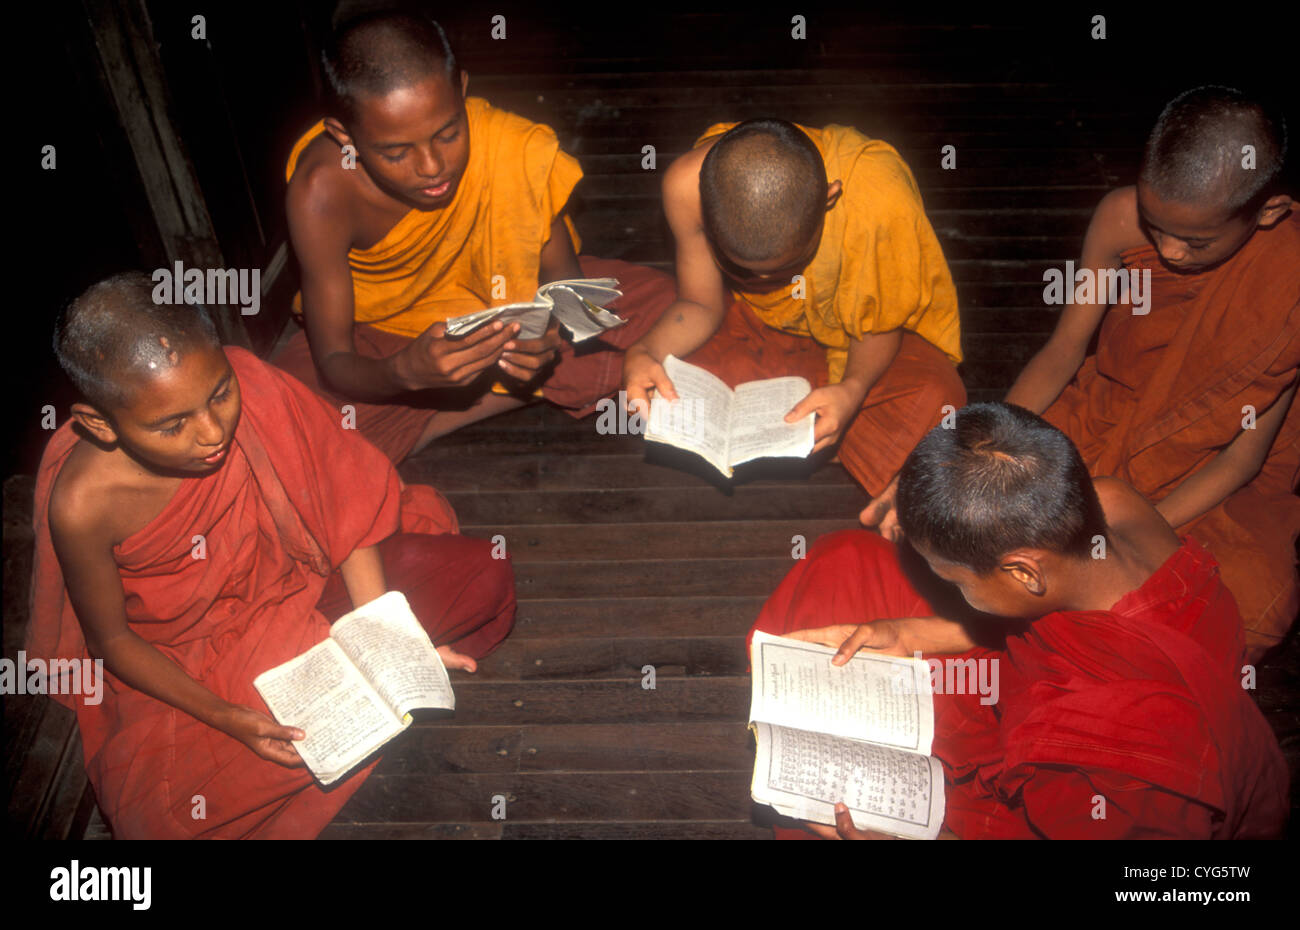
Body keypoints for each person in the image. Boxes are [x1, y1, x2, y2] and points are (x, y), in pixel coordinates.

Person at [25, 272, 516, 838]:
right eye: (172, 425)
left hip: (304, 580)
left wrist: (386, 638)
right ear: (99, 424)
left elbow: (346, 508)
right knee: (160, 819)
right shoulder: (84, 503)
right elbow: (112, 641)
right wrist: (230, 720)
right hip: (195, 658)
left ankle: (370, 678)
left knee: (481, 575)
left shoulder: (254, 382)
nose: (212, 432)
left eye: (219, 395)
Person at [751, 402, 1288, 839]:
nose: (948, 591)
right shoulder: (1110, 502)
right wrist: (910, 632)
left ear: (1025, 573)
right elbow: (1037, 615)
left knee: (823, 815)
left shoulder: (1111, 741)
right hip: (1027, 670)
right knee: (849, 560)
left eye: (955, 582)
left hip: (1081, 793)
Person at [274, 10, 673, 462]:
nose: (431, 167)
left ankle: (449, 406)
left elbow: (566, 286)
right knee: (292, 428)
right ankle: (475, 397)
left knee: (664, 307)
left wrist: (548, 341)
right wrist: (404, 373)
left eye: (447, 134)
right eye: (395, 152)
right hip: (382, 336)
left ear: (462, 90)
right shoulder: (321, 192)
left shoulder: (511, 147)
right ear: (344, 136)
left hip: (500, 315)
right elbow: (333, 362)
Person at [1002, 86, 1300, 662]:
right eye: (1154, 224)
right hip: (1108, 409)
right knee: (1005, 520)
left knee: (1249, 602)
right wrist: (990, 440)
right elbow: (1065, 350)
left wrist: (1134, 531)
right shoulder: (1119, 217)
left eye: (1195, 241)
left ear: (1269, 212)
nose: (1169, 251)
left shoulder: (1286, 277)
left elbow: (1243, 459)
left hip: (1215, 472)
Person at [622, 117, 964, 496]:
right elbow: (700, 302)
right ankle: (822, 437)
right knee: (663, 377)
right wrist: (644, 351)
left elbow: (881, 320)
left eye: (785, 267)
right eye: (742, 266)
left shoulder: (878, 195)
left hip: (857, 337)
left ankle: (823, 427)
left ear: (830, 199)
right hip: (755, 322)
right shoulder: (687, 185)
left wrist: (853, 389)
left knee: (935, 396)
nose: (767, 282)